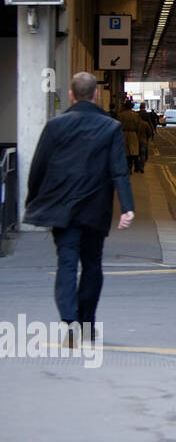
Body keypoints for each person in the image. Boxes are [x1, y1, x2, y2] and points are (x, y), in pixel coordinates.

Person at [24, 72, 134, 339]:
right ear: (95, 94)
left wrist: (33, 199)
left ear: (72, 95)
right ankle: (86, 324)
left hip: (62, 208)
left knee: (67, 264)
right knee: (93, 265)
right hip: (96, 209)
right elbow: (119, 170)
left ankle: (69, 319)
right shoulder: (110, 127)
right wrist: (126, 207)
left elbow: (39, 167)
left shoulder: (55, 126)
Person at [117, 100, 145, 174]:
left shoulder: (121, 115)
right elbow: (139, 127)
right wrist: (138, 136)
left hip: (123, 134)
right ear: (132, 107)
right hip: (133, 134)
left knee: (125, 152)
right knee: (133, 152)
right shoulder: (136, 115)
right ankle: (130, 166)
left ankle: (126, 167)